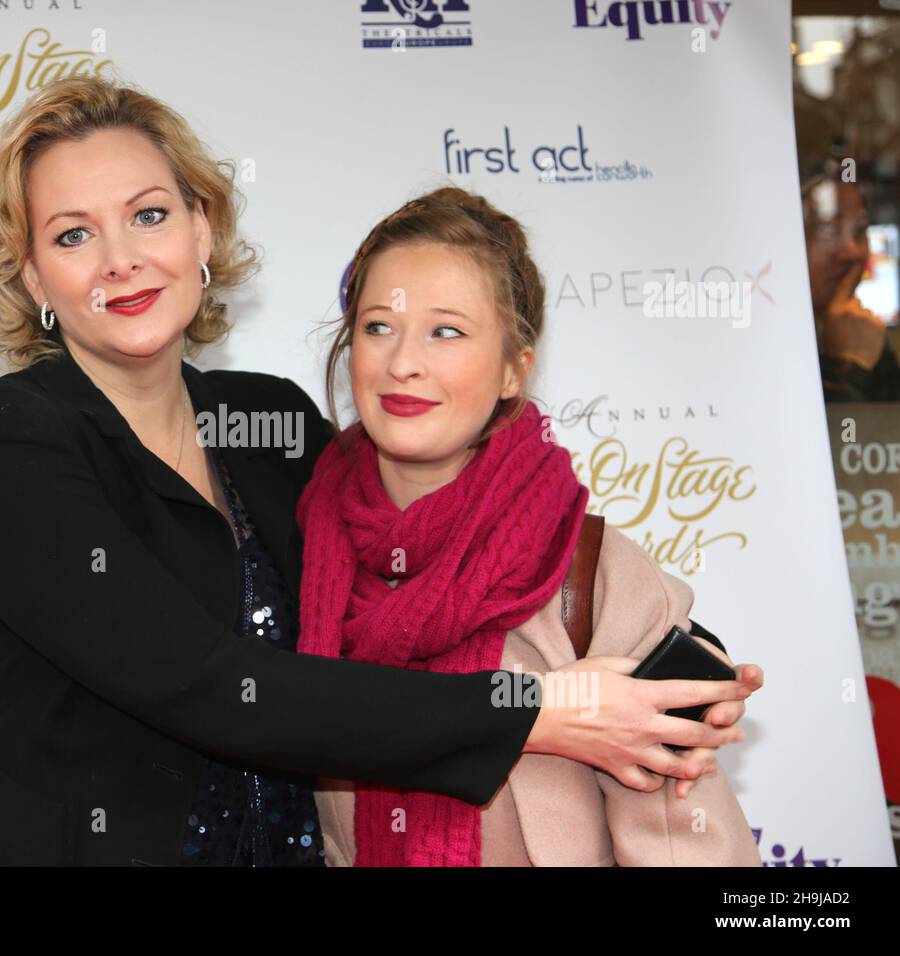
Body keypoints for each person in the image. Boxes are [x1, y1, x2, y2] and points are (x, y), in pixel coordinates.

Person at [0, 75, 759, 867]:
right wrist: (536, 713)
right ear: (32, 275)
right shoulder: (2, 439)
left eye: (150, 215)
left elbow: (434, 543)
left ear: (202, 227)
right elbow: (202, 683)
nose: (121, 259)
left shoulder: (268, 423)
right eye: (73, 234)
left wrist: (667, 660)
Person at [295, 188, 761, 866]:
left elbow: (682, 847)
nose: (402, 363)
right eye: (377, 326)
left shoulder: (594, 578)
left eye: (446, 330)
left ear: (516, 367)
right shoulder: (302, 554)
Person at [802, 159, 900, 401]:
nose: (853, 252)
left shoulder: (863, 330)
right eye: (828, 230)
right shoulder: (755, 344)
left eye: (859, 231)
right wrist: (850, 368)